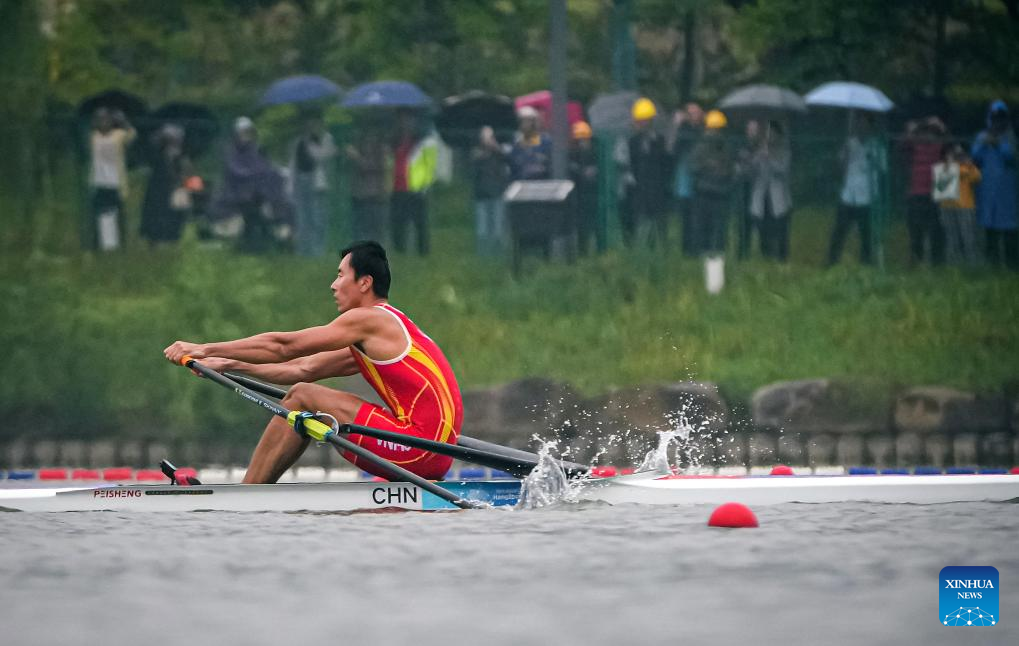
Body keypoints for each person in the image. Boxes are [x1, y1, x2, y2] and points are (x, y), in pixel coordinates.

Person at [163, 241, 463, 483]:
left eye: (341, 275)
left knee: (303, 395)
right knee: (301, 392)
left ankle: (248, 493)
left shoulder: (368, 320)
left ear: (364, 283)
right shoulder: (386, 330)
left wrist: (202, 348)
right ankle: (252, 489)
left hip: (418, 449)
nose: (333, 285)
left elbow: (284, 347)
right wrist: (228, 364)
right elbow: (302, 368)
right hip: (434, 453)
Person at [212, 117, 293, 254]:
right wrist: (257, 174)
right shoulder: (231, 152)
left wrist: (277, 172)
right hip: (237, 194)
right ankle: (250, 244)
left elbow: (266, 166)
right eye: (243, 133)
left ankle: (271, 240)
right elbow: (237, 171)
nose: (246, 136)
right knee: (251, 217)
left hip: (258, 194)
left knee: (274, 208)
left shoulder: (256, 150)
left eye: (248, 132)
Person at [827, 114, 887, 266]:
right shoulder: (850, 144)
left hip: (866, 196)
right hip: (848, 194)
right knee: (839, 230)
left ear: (870, 127)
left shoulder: (876, 146)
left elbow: (882, 169)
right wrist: (845, 154)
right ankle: (831, 261)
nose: (862, 128)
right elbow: (840, 167)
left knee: (866, 233)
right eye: (859, 124)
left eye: (865, 125)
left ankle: (866, 262)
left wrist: (872, 158)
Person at [971, 100, 1017, 269]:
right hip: (988, 189)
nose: (997, 121)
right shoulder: (981, 137)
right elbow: (975, 158)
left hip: (1007, 189)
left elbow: (1012, 158)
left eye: (1001, 117)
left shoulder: (1010, 136)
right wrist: (984, 144)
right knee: (989, 228)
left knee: (1009, 228)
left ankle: (1012, 264)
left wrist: (999, 145)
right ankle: (993, 265)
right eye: (995, 117)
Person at [624, 98, 671, 248]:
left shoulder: (659, 140)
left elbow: (665, 162)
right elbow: (631, 162)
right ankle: (643, 246)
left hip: (657, 185)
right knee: (641, 218)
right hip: (640, 186)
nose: (643, 124)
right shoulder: (633, 141)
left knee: (659, 219)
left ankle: (661, 245)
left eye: (646, 120)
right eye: (640, 121)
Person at [289, 110, 338, 256]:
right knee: (303, 218)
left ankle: (318, 250)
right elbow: (294, 164)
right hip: (302, 182)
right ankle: (304, 249)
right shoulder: (300, 142)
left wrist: (313, 145)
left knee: (318, 218)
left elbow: (324, 155)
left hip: (319, 184)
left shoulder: (327, 139)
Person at [390, 110, 438, 255]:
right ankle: (400, 249)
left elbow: (430, 164)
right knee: (398, 221)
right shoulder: (395, 140)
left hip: (416, 186)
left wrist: (425, 184)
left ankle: (422, 251)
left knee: (420, 221)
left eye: (409, 120)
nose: (406, 124)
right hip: (398, 186)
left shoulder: (421, 141)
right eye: (403, 120)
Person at [88, 108, 136, 251]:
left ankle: (117, 244)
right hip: (98, 181)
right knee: (99, 212)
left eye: (106, 119)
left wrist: (123, 121)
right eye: (100, 119)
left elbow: (132, 135)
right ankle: (100, 243)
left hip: (115, 181)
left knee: (116, 212)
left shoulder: (118, 135)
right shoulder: (93, 136)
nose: (103, 122)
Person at [901, 116, 947, 266]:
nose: (928, 135)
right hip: (915, 193)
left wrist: (942, 128)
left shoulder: (939, 147)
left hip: (934, 195)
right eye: (926, 131)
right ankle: (916, 259)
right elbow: (901, 147)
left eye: (933, 132)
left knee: (935, 229)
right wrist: (911, 131)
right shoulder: (914, 146)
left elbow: (951, 146)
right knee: (915, 229)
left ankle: (937, 261)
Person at [689, 109, 733, 256]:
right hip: (705, 191)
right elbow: (693, 167)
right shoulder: (701, 147)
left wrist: (719, 170)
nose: (715, 133)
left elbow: (729, 169)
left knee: (717, 227)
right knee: (704, 225)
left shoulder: (725, 148)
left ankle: (715, 254)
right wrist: (708, 166)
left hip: (717, 192)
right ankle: (704, 254)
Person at [749, 120, 793, 261]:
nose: (769, 137)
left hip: (778, 196)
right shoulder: (761, 150)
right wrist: (759, 156)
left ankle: (782, 257)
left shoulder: (784, 152)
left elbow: (782, 170)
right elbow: (753, 168)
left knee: (780, 228)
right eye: (768, 134)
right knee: (763, 226)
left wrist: (770, 158)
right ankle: (766, 254)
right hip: (762, 195)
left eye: (772, 133)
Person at [140, 124, 190, 247]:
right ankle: (154, 237)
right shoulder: (158, 153)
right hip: (158, 186)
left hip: (173, 187)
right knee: (156, 211)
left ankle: (171, 237)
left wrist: (180, 181)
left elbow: (184, 170)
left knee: (174, 212)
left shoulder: (179, 155)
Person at [933, 143, 982, 265]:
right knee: (951, 236)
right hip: (947, 206)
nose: (956, 157)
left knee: (968, 236)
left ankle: (972, 263)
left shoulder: (967, 167)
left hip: (965, 206)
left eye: (959, 154)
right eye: (953, 154)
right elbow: (940, 188)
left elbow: (977, 178)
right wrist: (950, 166)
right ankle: (954, 263)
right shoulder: (943, 167)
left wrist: (968, 164)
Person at [668, 103, 705, 256]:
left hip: (701, 178)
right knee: (687, 214)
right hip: (686, 178)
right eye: (690, 113)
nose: (693, 116)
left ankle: (699, 247)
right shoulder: (683, 131)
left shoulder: (704, 131)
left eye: (696, 113)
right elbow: (672, 149)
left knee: (700, 214)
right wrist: (676, 126)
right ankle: (687, 249)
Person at [345, 123, 389, 244]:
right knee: (358, 229)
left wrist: (357, 157)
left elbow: (373, 167)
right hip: (359, 196)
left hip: (374, 196)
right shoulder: (358, 148)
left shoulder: (382, 150)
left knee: (374, 229)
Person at [470, 126, 510, 256]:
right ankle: (483, 255)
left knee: (498, 228)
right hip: (481, 195)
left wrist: (495, 147)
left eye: (489, 137)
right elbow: (474, 171)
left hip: (498, 193)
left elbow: (508, 159)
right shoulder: (477, 154)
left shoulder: (499, 152)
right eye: (484, 137)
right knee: (482, 229)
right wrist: (483, 155)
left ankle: (498, 254)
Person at [568, 120, 599, 254]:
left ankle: (598, 250)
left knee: (594, 225)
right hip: (578, 196)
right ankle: (582, 251)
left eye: (584, 140)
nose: (582, 143)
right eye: (579, 141)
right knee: (581, 227)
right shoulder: (571, 156)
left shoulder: (596, 154)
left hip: (593, 194)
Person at [509, 106, 552, 181]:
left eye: (530, 120)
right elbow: (513, 159)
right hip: (520, 179)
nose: (527, 123)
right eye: (523, 120)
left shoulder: (545, 139)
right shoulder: (516, 138)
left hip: (542, 179)